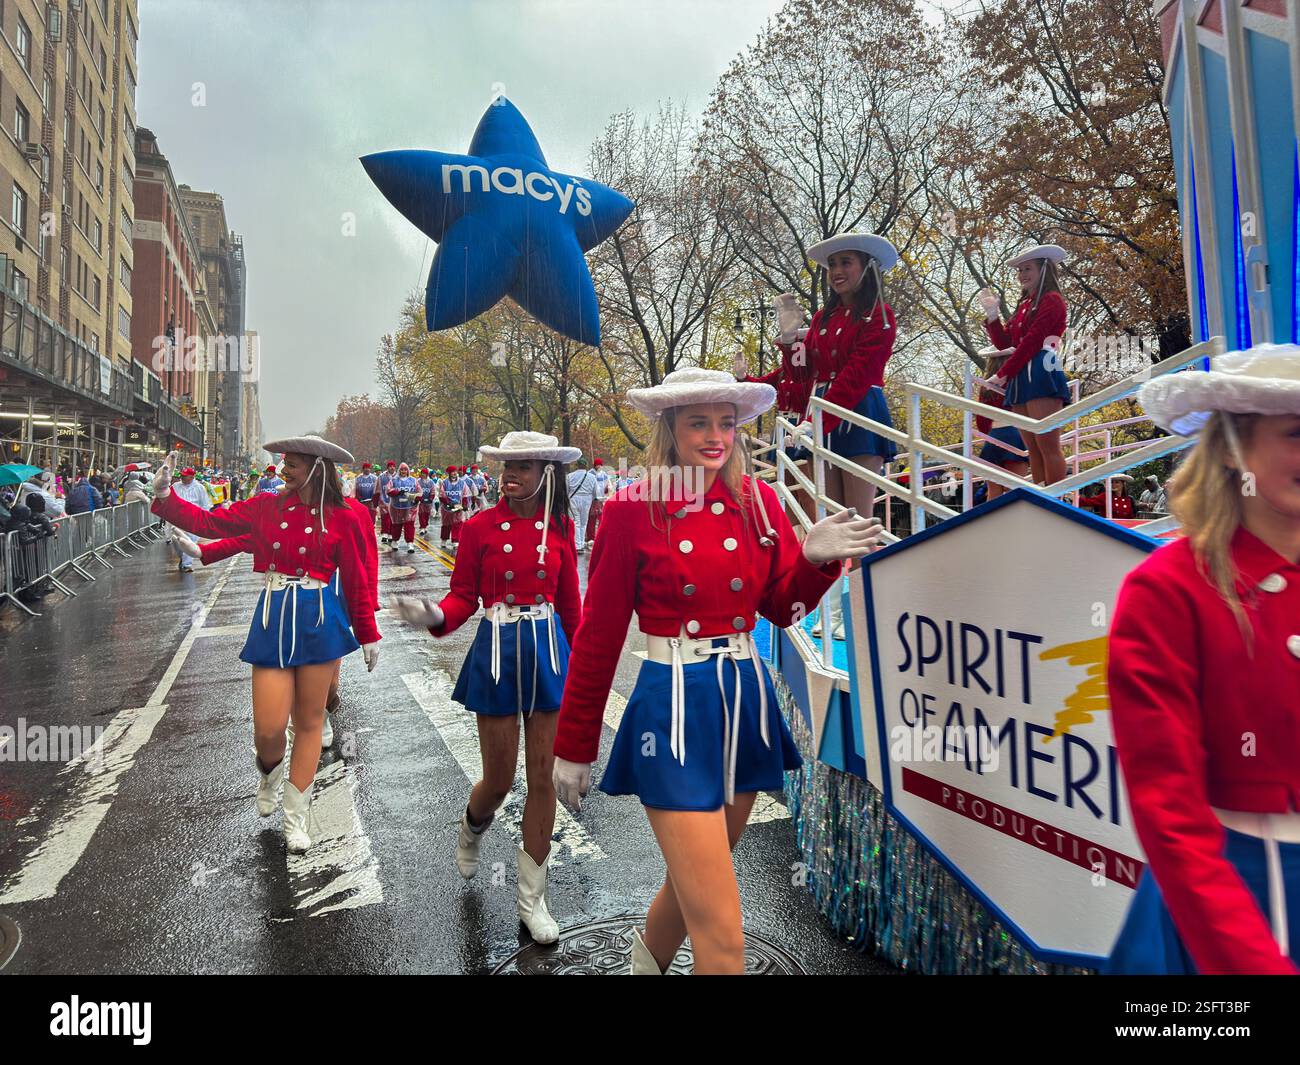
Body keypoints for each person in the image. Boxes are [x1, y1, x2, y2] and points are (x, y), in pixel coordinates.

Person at [552, 368, 883, 974]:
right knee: (724, 938)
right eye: (698, 422)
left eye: (726, 423)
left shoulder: (757, 501)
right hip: (671, 707)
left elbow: (782, 609)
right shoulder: (632, 510)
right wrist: (574, 742)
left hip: (741, 704)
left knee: (691, 889)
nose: (715, 436)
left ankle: (642, 967)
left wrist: (812, 559)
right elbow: (598, 637)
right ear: (670, 429)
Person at [1106, 342, 1300, 974]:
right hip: (1228, 914)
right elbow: (1170, 815)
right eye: (1295, 433)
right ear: (1231, 448)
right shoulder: (1167, 591)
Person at [391, 431, 582, 943]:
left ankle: (532, 899)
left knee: (544, 779)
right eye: (505, 466)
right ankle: (473, 823)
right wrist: (433, 615)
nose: (510, 474)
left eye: (522, 466)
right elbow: (462, 599)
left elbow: (571, 611)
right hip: (497, 651)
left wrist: (583, 675)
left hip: (546, 653)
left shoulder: (560, 526)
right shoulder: (478, 527)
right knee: (498, 780)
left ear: (546, 473)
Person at [149, 436, 381, 853]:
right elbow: (211, 523)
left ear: (316, 467)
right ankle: (269, 772)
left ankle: (296, 817)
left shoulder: (344, 516)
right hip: (275, 618)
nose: (282, 469)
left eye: (292, 463)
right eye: (283, 462)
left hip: (320, 619)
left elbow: (359, 577)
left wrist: (367, 632)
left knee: (309, 723)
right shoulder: (267, 506)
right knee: (269, 729)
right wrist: (166, 497)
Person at [978, 244, 1071, 486]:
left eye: (1027, 268)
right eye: (1019, 270)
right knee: (1033, 448)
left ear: (1044, 270)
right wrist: (992, 314)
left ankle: (1054, 501)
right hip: (1021, 374)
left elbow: (1033, 342)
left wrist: (1002, 374)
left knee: (1048, 445)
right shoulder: (1024, 305)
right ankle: (1040, 496)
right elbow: (1005, 343)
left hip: (1041, 368)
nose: (1022, 275)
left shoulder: (1052, 300)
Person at [974, 352, 1030, 500]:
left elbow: (981, 420)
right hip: (1016, 435)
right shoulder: (1018, 379)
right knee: (1015, 490)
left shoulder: (985, 386)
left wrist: (990, 435)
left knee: (993, 492)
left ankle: (991, 523)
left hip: (993, 436)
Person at [167, 467, 213, 572]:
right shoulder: (175, 486)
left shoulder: (200, 488)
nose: (182, 477)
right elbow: (169, 500)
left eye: (185, 476)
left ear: (192, 477)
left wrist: (205, 518)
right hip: (178, 518)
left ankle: (186, 564)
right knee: (177, 540)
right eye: (181, 475)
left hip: (194, 518)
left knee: (190, 541)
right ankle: (183, 558)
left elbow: (205, 504)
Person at [566, 456, 599, 553]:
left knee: (576, 521)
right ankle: (580, 543)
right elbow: (595, 492)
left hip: (573, 499)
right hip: (587, 499)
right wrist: (594, 500)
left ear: (577, 465)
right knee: (584, 522)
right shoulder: (592, 477)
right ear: (586, 466)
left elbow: (567, 490)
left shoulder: (570, 476)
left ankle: (577, 545)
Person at [386, 462, 419, 553]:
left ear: (408, 470)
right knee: (397, 525)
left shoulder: (413, 480)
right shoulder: (394, 480)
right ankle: (395, 541)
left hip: (410, 507)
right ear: (399, 471)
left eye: (405, 470)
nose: (403, 471)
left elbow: (419, 491)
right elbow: (388, 491)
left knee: (409, 525)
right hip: (396, 507)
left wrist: (416, 499)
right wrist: (397, 492)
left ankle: (410, 543)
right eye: (402, 470)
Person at [439, 465, 469, 551]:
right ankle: (444, 540)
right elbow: (441, 495)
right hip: (447, 508)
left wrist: (464, 504)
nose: (455, 473)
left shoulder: (462, 483)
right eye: (452, 472)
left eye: (455, 471)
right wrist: (448, 503)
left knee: (457, 524)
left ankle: (455, 540)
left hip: (458, 507)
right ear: (449, 473)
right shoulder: (444, 482)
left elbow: (465, 494)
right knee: (446, 525)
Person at [377, 460, 398, 546]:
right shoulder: (381, 476)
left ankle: (390, 534)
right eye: (390, 466)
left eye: (393, 466)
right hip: (384, 500)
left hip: (394, 501)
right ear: (387, 467)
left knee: (393, 519)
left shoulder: (397, 476)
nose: (392, 467)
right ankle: (384, 534)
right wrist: (378, 499)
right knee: (385, 518)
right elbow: (378, 488)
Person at [417, 468, 437, 535]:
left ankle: (425, 526)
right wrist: (419, 498)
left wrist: (431, 498)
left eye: (424, 474)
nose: (423, 475)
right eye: (422, 474)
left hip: (428, 501)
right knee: (421, 514)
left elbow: (433, 490)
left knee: (427, 514)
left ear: (427, 474)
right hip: (421, 501)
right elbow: (416, 490)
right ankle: (422, 527)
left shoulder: (431, 482)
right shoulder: (418, 481)